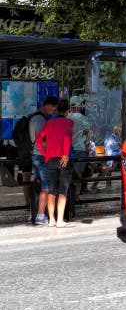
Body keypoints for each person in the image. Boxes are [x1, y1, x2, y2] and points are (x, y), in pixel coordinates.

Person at [35, 98, 74, 227]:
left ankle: (51, 219)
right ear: (68, 110)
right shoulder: (69, 122)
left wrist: (45, 153)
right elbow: (67, 137)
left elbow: (39, 139)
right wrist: (66, 154)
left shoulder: (49, 123)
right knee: (63, 190)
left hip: (50, 159)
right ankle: (60, 220)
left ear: (57, 109)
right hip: (63, 159)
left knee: (52, 190)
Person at [29, 96, 59, 225]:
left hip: (35, 156)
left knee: (37, 186)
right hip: (41, 156)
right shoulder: (40, 119)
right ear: (47, 105)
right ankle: (41, 215)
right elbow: (41, 140)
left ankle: (34, 214)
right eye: (53, 108)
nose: (53, 111)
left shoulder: (34, 117)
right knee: (45, 187)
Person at [67, 95, 92, 193]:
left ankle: (69, 195)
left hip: (68, 149)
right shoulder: (83, 118)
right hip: (81, 149)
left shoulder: (66, 117)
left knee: (68, 173)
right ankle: (76, 195)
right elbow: (87, 133)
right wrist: (86, 146)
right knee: (78, 174)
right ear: (79, 106)